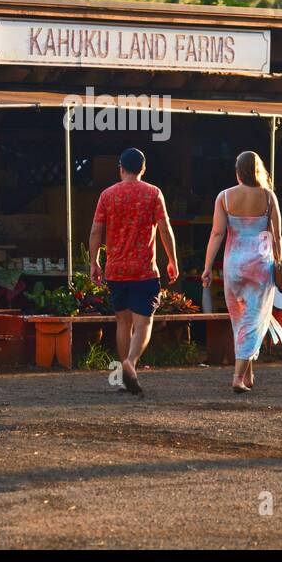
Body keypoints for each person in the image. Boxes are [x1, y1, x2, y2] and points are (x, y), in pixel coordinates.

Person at [89, 147, 178, 396]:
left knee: (123, 322)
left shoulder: (107, 195)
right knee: (144, 322)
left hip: (115, 269)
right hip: (144, 270)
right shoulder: (153, 193)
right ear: (143, 169)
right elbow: (164, 229)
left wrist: (94, 262)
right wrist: (172, 260)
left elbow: (96, 231)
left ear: (121, 168)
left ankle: (123, 376)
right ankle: (131, 362)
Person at [202, 151, 282, 394]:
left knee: (240, 320)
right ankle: (238, 377)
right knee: (253, 319)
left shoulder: (224, 197)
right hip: (261, 265)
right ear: (259, 170)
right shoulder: (269, 197)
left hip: (234, 265)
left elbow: (217, 234)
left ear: (238, 172)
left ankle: (248, 374)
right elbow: (278, 236)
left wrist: (208, 267)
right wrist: (279, 261)